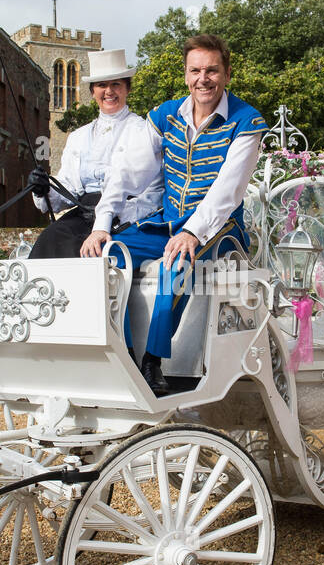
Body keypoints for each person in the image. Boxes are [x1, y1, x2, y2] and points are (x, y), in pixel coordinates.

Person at [82, 34, 266, 394]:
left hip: (219, 229)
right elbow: (126, 172)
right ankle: (128, 354)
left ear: (227, 74)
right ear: (185, 75)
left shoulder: (247, 121)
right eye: (195, 70)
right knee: (107, 255)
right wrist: (102, 225)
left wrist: (193, 233)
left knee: (175, 264)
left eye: (212, 70)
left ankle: (153, 361)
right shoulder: (165, 116)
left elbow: (227, 192)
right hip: (168, 223)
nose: (204, 79)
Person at [27, 49, 161, 259]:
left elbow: (152, 192)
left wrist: (115, 216)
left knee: (89, 250)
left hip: (126, 213)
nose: (109, 91)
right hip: (82, 212)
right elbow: (67, 189)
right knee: (50, 237)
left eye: (116, 84)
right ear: (92, 91)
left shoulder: (143, 131)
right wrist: (43, 189)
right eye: (102, 85)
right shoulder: (78, 137)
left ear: (127, 88)